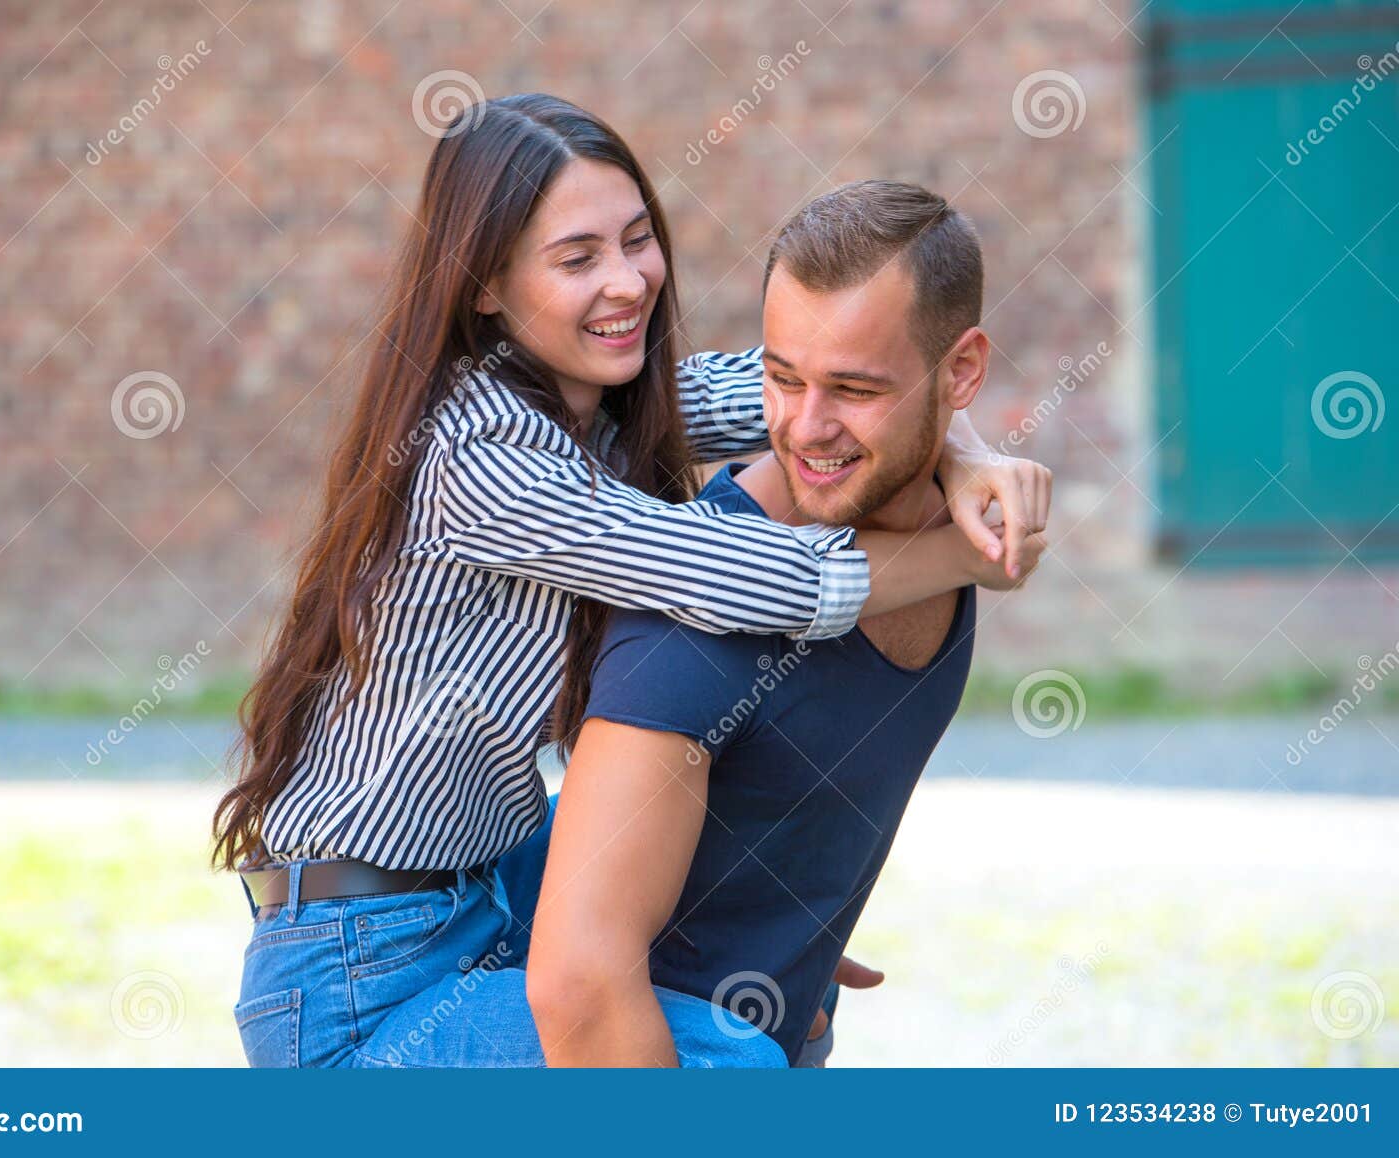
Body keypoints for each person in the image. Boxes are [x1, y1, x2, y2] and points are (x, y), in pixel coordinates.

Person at [214, 94, 1050, 1068]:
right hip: (362, 973)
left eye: (637, 240)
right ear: (485, 286)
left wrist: (970, 454)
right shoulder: (479, 456)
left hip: (488, 877)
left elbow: (833, 384)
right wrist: (975, 553)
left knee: (765, 1004)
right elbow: (757, 580)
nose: (626, 283)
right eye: (577, 259)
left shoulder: (599, 402)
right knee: (728, 1062)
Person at [527, 179, 1015, 1065]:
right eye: (780, 378)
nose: (804, 428)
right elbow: (579, 989)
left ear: (962, 373)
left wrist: (796, 942)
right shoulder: (696, 618)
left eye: (854, 389)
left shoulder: (947, 522)